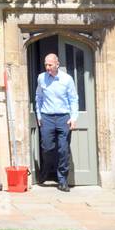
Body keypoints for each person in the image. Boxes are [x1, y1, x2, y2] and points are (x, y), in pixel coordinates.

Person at [35, 52, 78, 192]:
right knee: (47, 148)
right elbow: (38, 97)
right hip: (47, 117)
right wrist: (39, 115)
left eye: (50, 65)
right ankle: (46, 170)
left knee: (63, 150)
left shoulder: (67, 79)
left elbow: (73, 99)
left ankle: (62, 180)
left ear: (57, 64)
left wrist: (73, 117)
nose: (47, 67)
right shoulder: (41, 78)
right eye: (46, 65)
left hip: (63, 118)